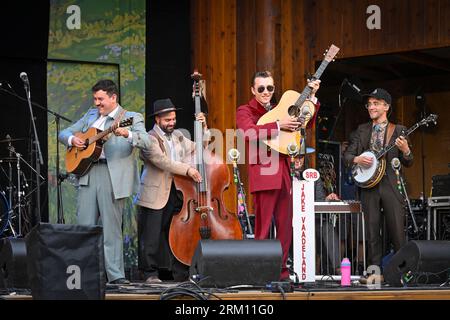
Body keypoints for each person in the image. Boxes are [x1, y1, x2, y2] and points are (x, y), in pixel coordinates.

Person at [59, 79, 150, 285]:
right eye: (95, 99)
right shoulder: (90, 116)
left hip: (113, 177)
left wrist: (127, 133)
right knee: (85, 227)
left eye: (100, 99)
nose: (97, 103)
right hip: (88, 174)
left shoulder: (131, 117)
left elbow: (147, 142)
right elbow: (64, 133)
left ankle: (115, 276)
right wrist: (73, 140)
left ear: (113, 97)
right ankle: (82, 275)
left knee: (111, 229)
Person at [236, 70, 321, 281]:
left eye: (270, 88)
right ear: (253, 90)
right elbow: (247, 132)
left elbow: (307, 123)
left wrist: (312, 98)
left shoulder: (280, 108)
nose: (266, 92)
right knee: (263, 227)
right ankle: (259, 272)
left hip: (283, 169)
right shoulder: (245, 110)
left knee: (286, 224)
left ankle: (281, 271)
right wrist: (277, 125)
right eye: (262, 88)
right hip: (264, 170)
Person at [134, 98, 208, 283]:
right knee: (151, 236)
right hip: (155, 193)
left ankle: (178, 274)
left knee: (176, 234)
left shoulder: (178, 137)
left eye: (173, 119)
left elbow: (199, 147)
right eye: (167, 120)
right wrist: (188, 170)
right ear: (157, 119)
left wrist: (204, 128)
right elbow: (163, 162)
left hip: (176, 193)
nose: (172, 123)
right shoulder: (149, 138)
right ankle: (149, 273)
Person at [343, 88, 413, 280]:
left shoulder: (398, 130)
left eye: (376, 103)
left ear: (386, 106)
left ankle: (402, 272)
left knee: (397, 230)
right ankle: (375, 272)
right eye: (369, 104)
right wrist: (357, 159)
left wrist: (405, 149)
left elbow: (409, 160)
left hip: (390, 184)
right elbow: (347, 155)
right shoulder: (362, 130)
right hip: (369, 187)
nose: (371, 107)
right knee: (372, 231)